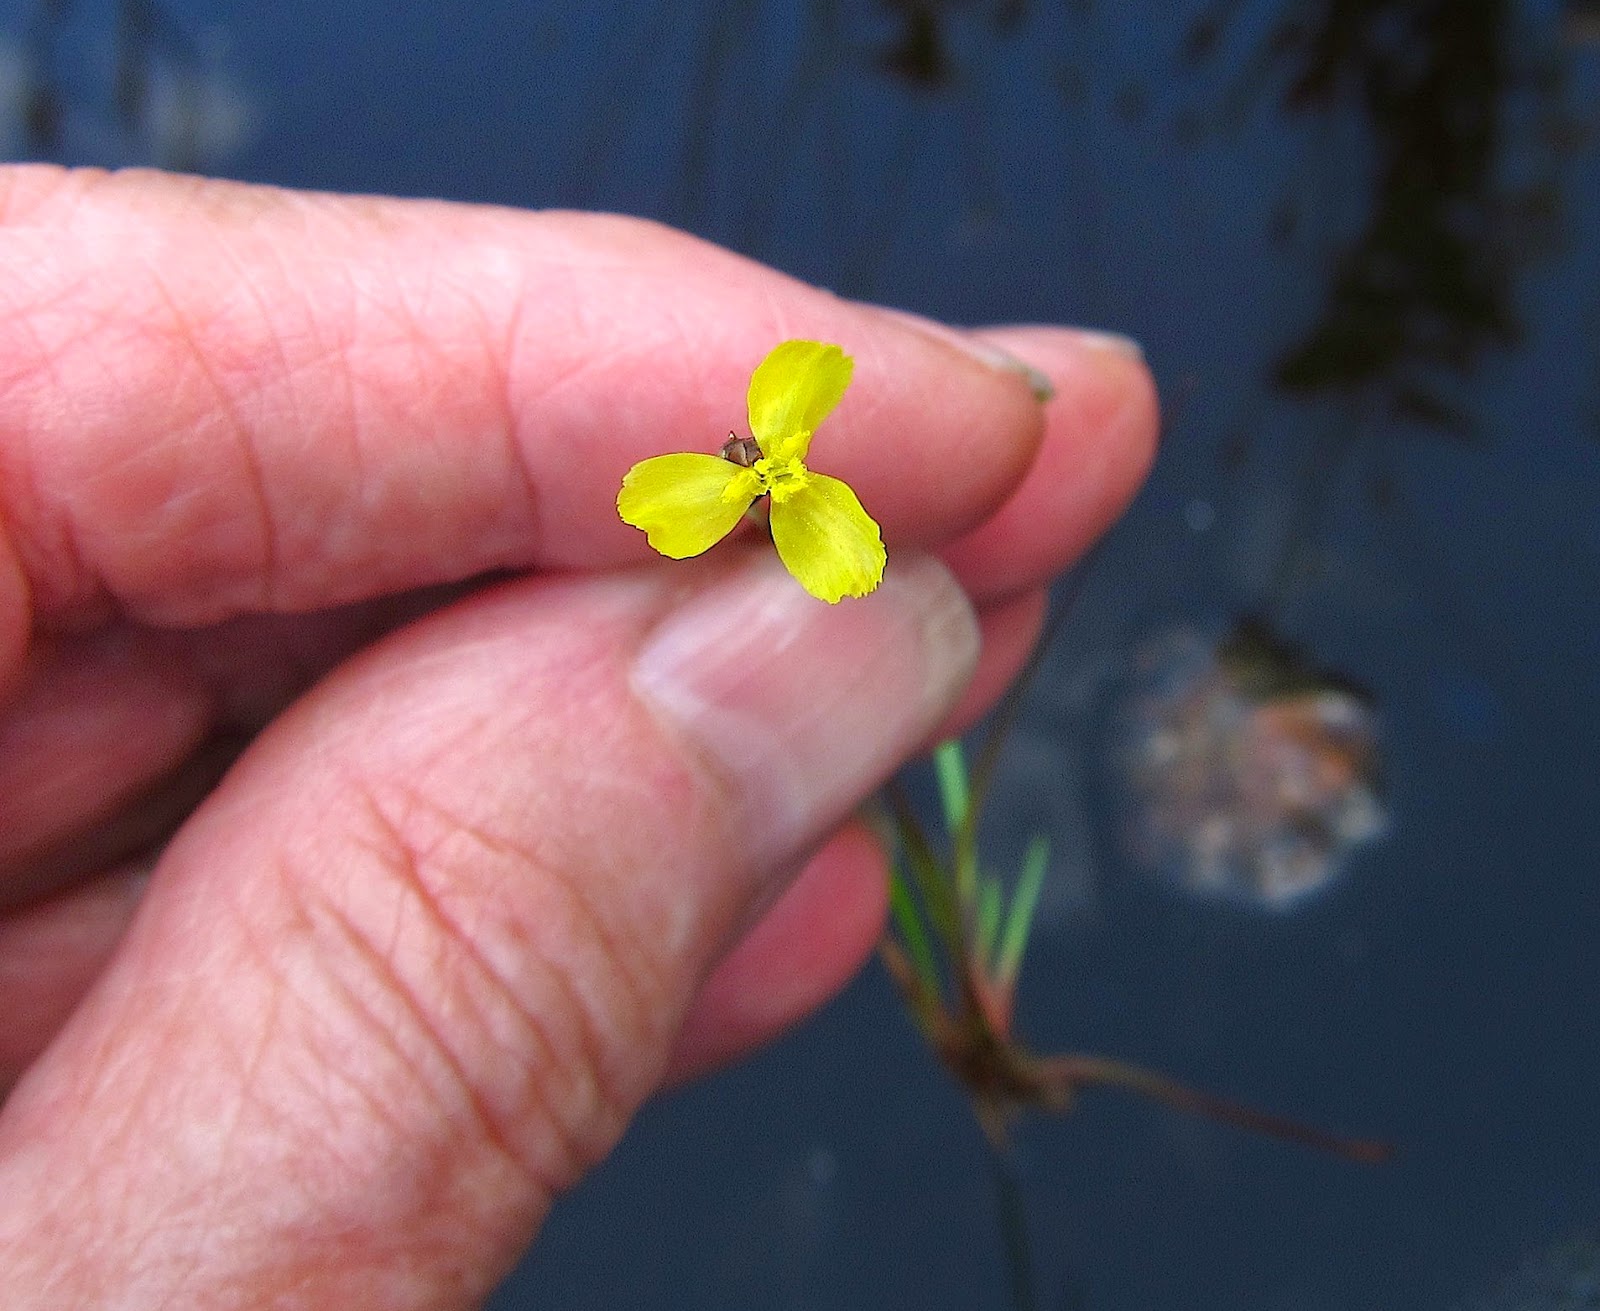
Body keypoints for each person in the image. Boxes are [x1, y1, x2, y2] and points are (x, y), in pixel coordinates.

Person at [0, 165, 1157, 1307]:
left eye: (769, 457)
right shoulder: (724, 490)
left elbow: (823, 475)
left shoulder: (804, 487)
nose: (763, 460)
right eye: (756, 457)